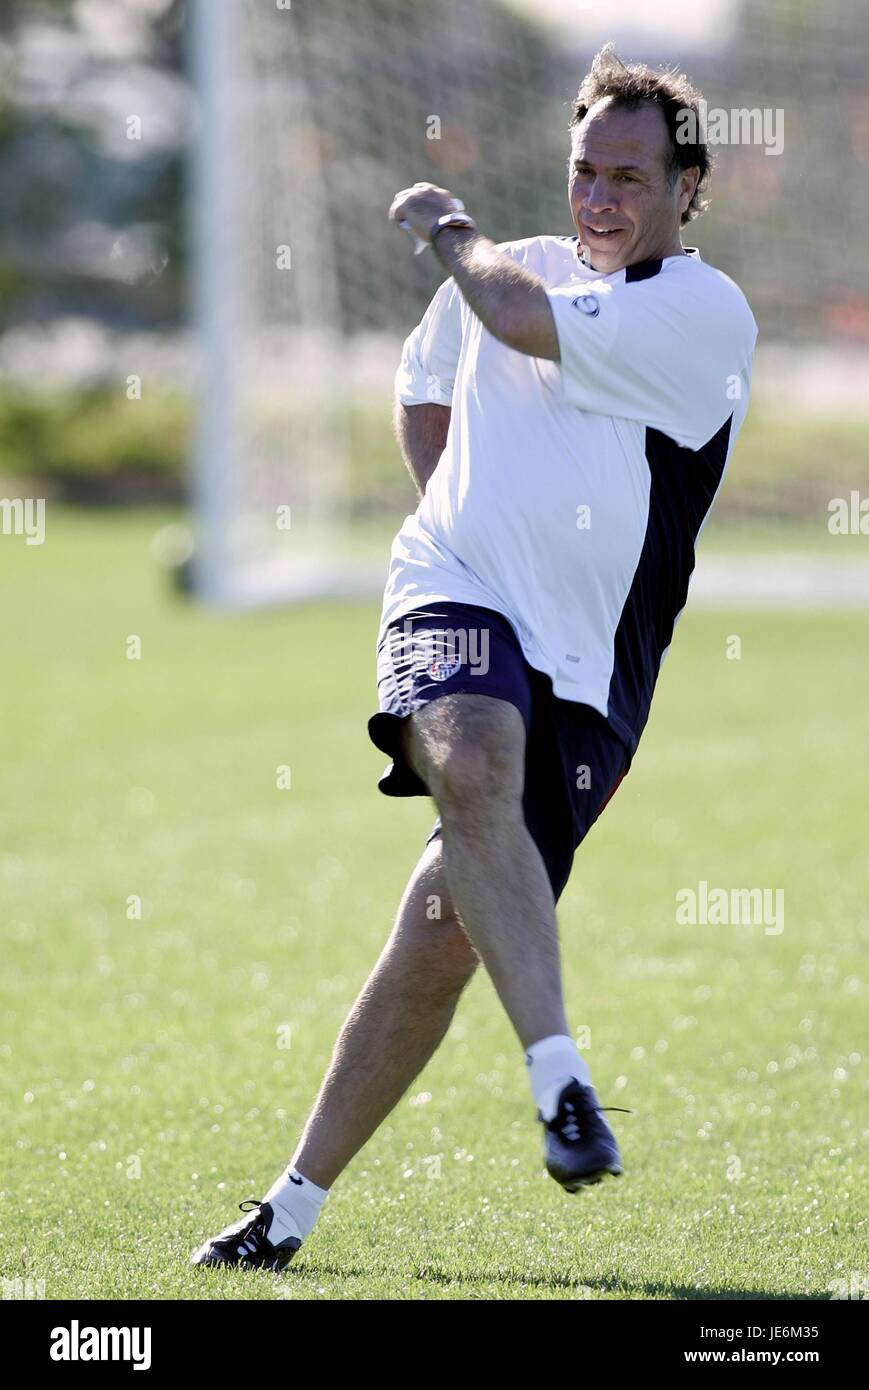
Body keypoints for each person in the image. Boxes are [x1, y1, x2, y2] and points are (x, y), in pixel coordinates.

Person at [192, 42, 757, 1272]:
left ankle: (288, 1208)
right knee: (474, 755)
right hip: (452, 592)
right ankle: (560, 1079)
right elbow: (424, 389)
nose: (598, 196)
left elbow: (502, 310)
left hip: (594, 673)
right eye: (582, 170)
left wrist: (445, 221)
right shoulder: (515, 270)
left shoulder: (699, 312)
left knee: (445, 929)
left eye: (626, 176)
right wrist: (459, 532)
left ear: (683, 187)